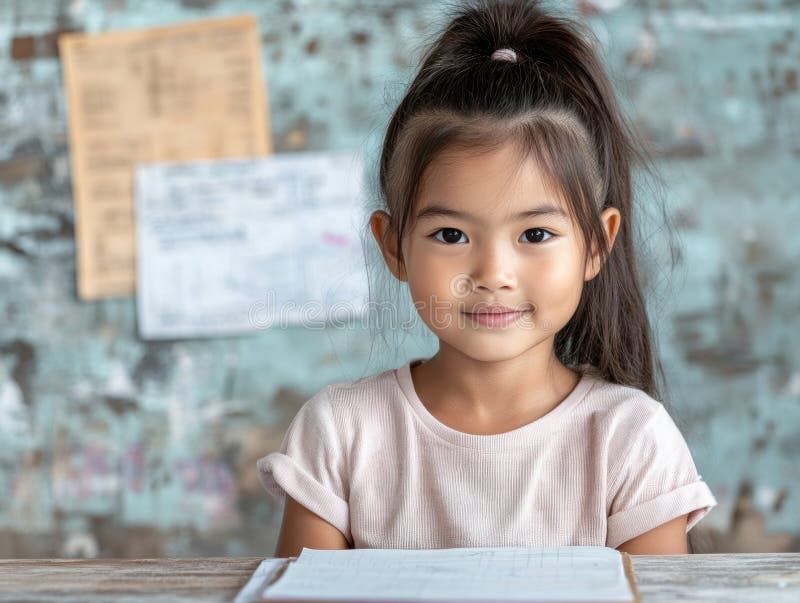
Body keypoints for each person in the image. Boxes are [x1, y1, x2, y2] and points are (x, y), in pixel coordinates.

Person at [258, 0, 717, 557]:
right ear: (392, 246)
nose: (493, 275)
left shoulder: (630, 441)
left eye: (535, 235)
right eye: (451, 235)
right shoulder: (340, 435)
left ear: (597, 244)